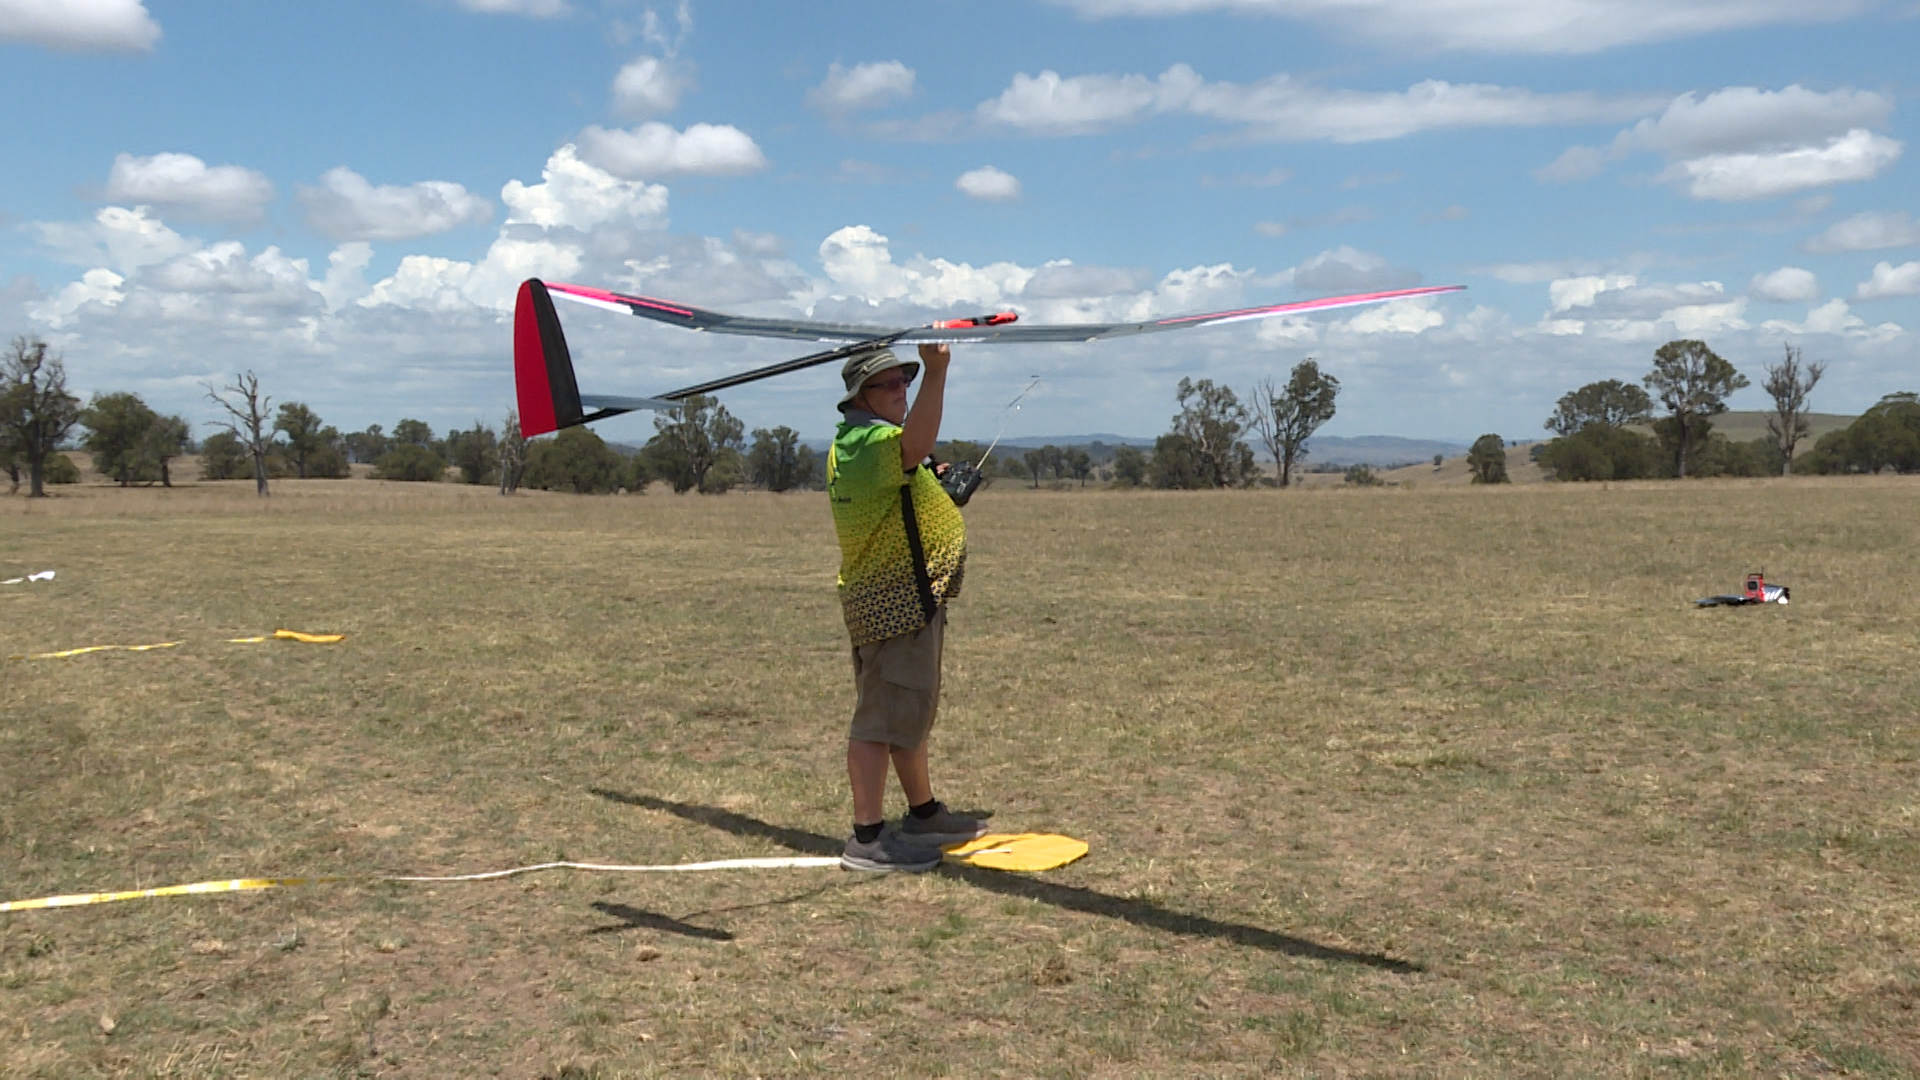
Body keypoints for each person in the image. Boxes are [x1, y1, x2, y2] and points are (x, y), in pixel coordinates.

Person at [827, 343, 989, 872]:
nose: (902, 392)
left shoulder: (863, 442)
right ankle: (867, 839)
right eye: (891, 385)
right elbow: (911, 446)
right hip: (894, 603)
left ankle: (922, 814)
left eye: (906, 381)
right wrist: (938, 369)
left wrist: (938, 486)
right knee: (879, 719)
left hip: (905, 600)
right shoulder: (871, 442)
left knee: (907, 710)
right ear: (862, 396)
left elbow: (910, 467)